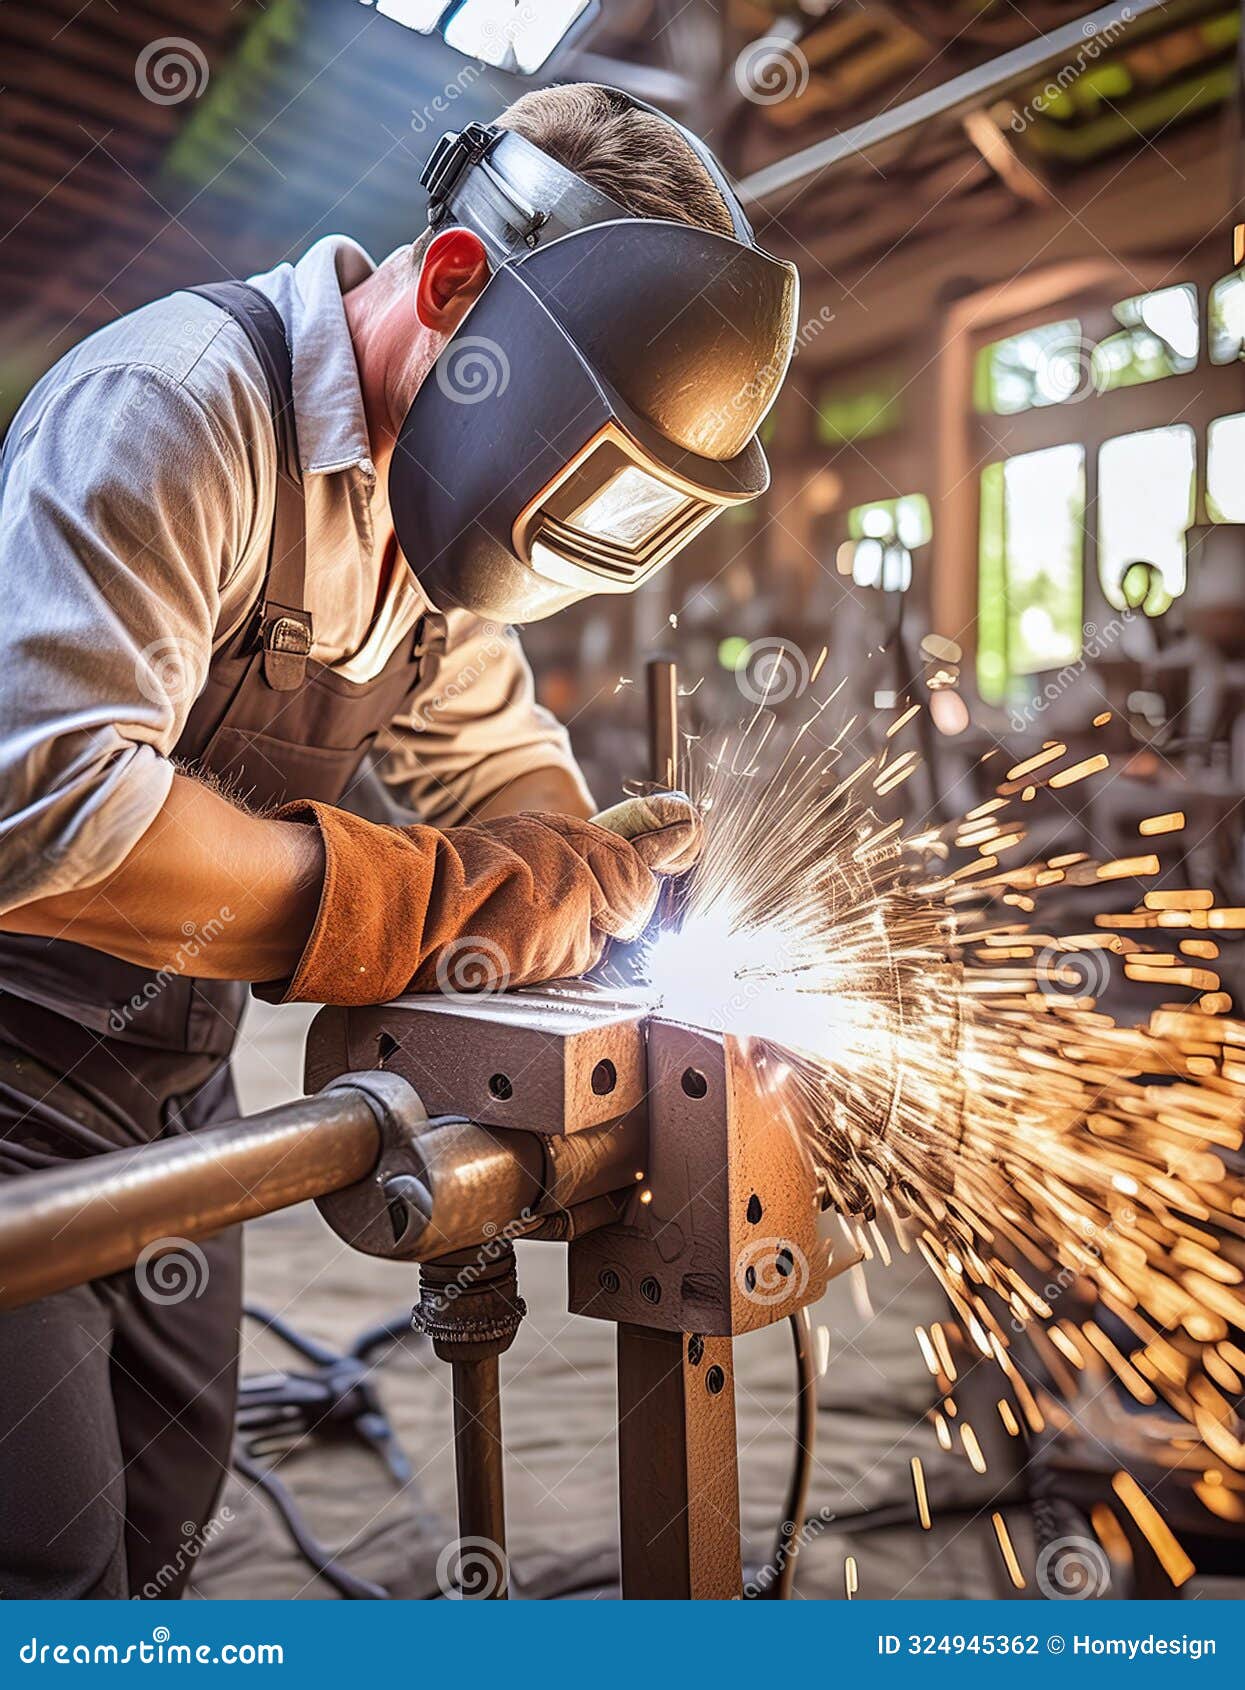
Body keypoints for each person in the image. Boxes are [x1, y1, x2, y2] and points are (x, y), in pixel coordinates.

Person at [0, 83, 796, 1598]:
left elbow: (513, 790)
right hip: (3, 1095)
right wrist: (429, 898)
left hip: (172, 1104)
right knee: (44, 1567)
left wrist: (607, 885)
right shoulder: (181, 409)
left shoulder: (426, 532)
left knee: (168, 1527)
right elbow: (61, 813)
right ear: (450, 289)